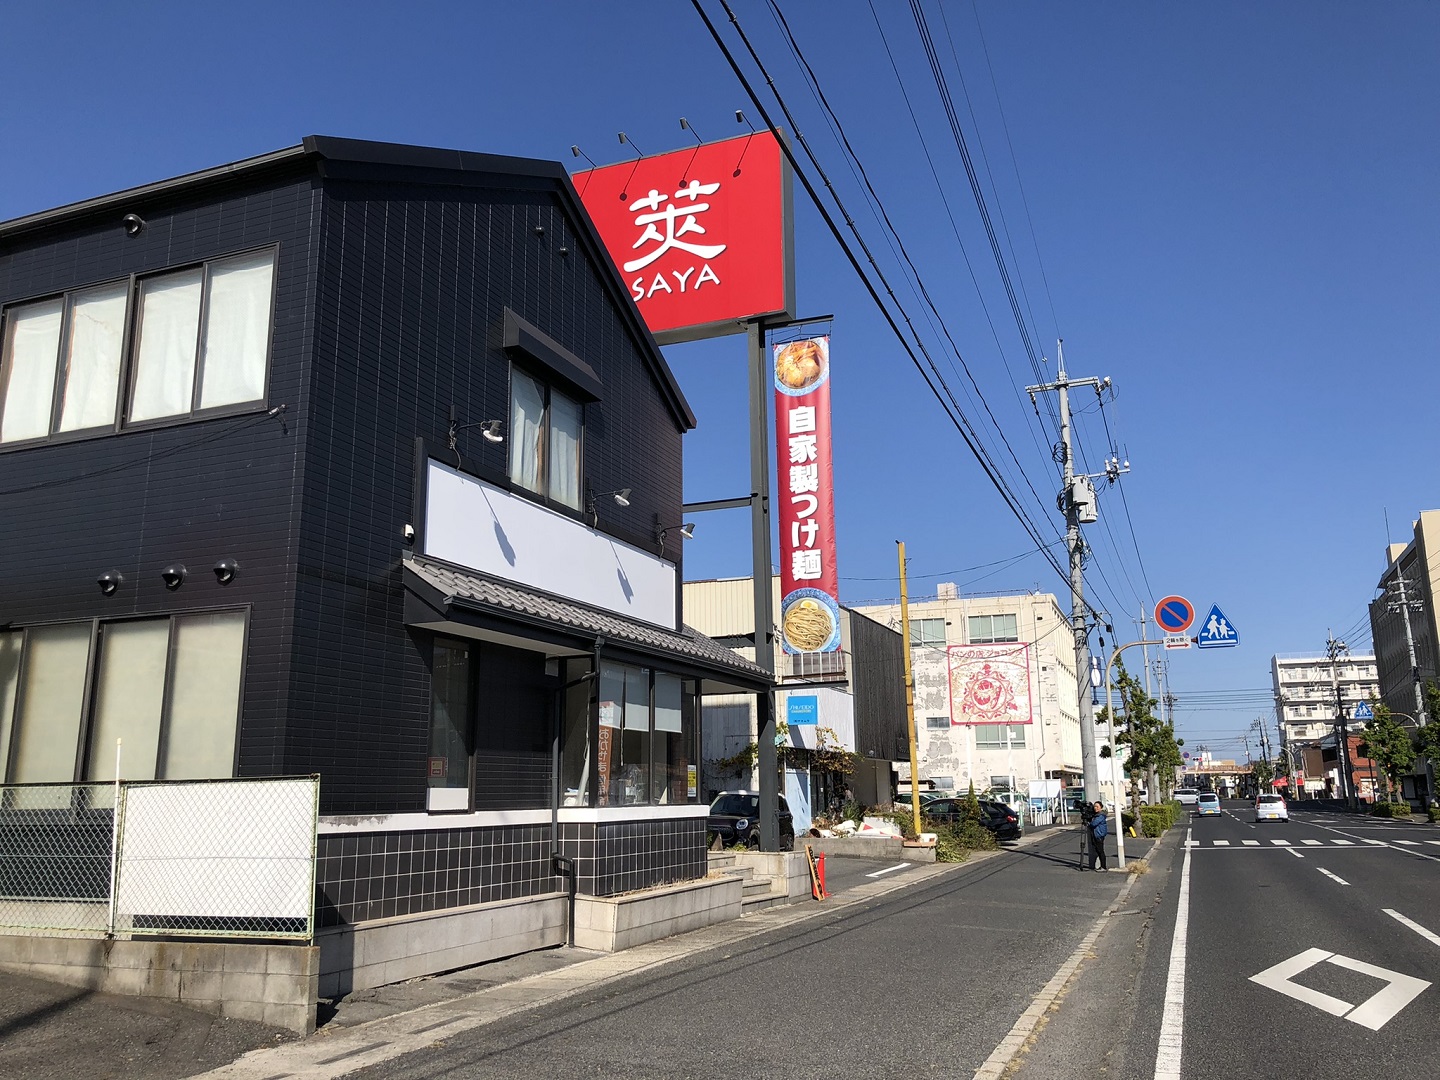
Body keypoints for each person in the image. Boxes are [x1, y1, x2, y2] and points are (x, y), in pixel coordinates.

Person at [1088, 801, 1109, 871]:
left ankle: (1103, 867)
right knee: (1098, 851)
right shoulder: (1097, 815)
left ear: (1101, 807)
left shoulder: (1101, 816)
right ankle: (1102, 866)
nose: (1095, 808)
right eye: (1094, 806)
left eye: (1097, 806)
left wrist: (1089, 823)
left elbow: (1093, 824)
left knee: (1100, 851)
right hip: (1097, 834)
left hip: (1099, 835)